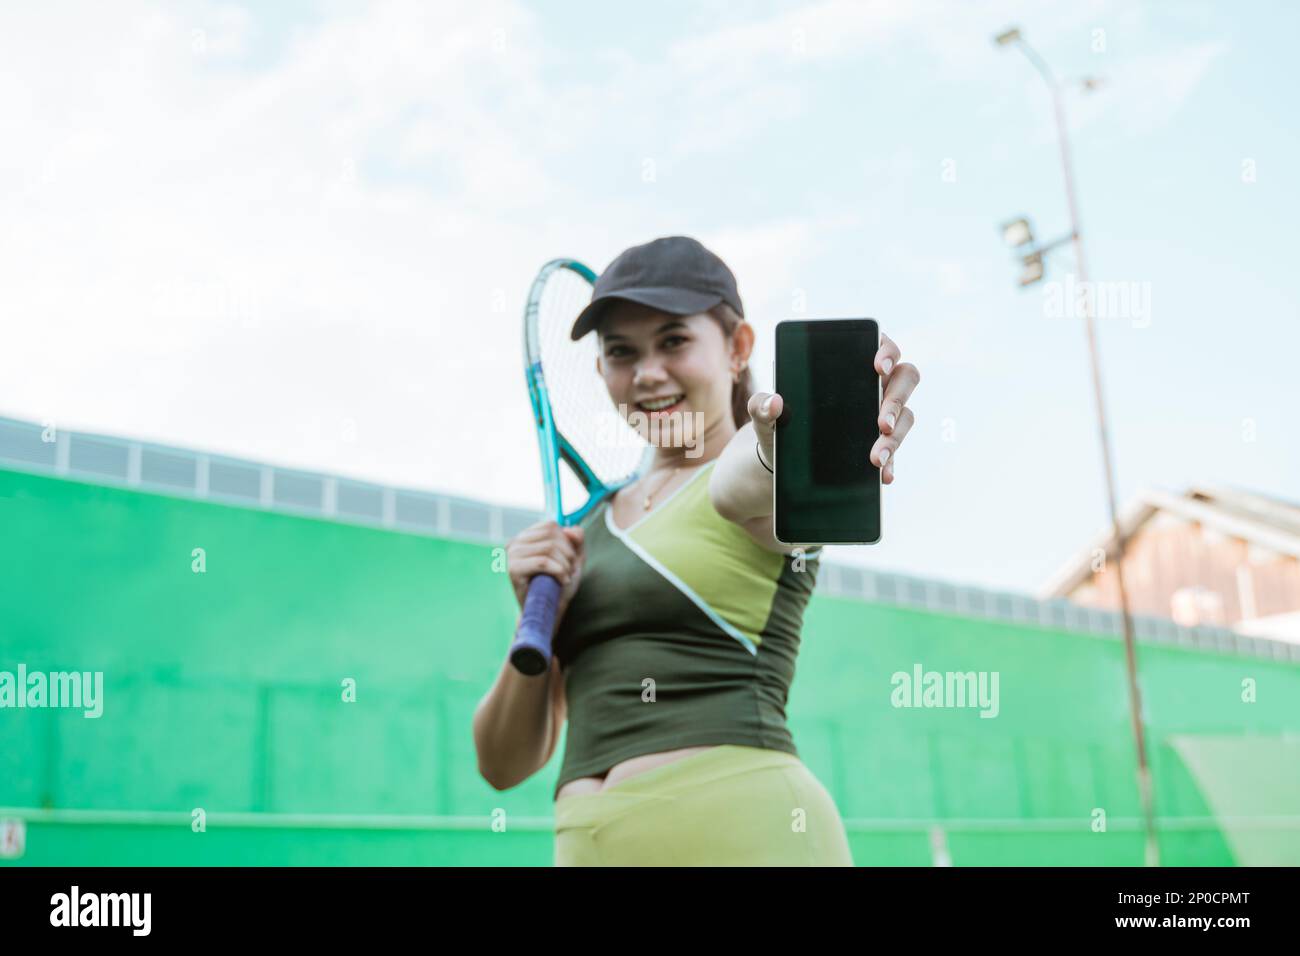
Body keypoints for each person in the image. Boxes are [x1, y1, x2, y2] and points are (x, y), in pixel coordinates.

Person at [473, 236, 920, 865]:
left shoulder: (741, 476)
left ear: (738, 348)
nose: (647, 373)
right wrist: (537, 619)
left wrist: (805, 441)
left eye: (674, 341)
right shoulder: (585, 534)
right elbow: (500, 764)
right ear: (600, 370)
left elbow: (753, 474)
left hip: (752, 832)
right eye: (621, 352)